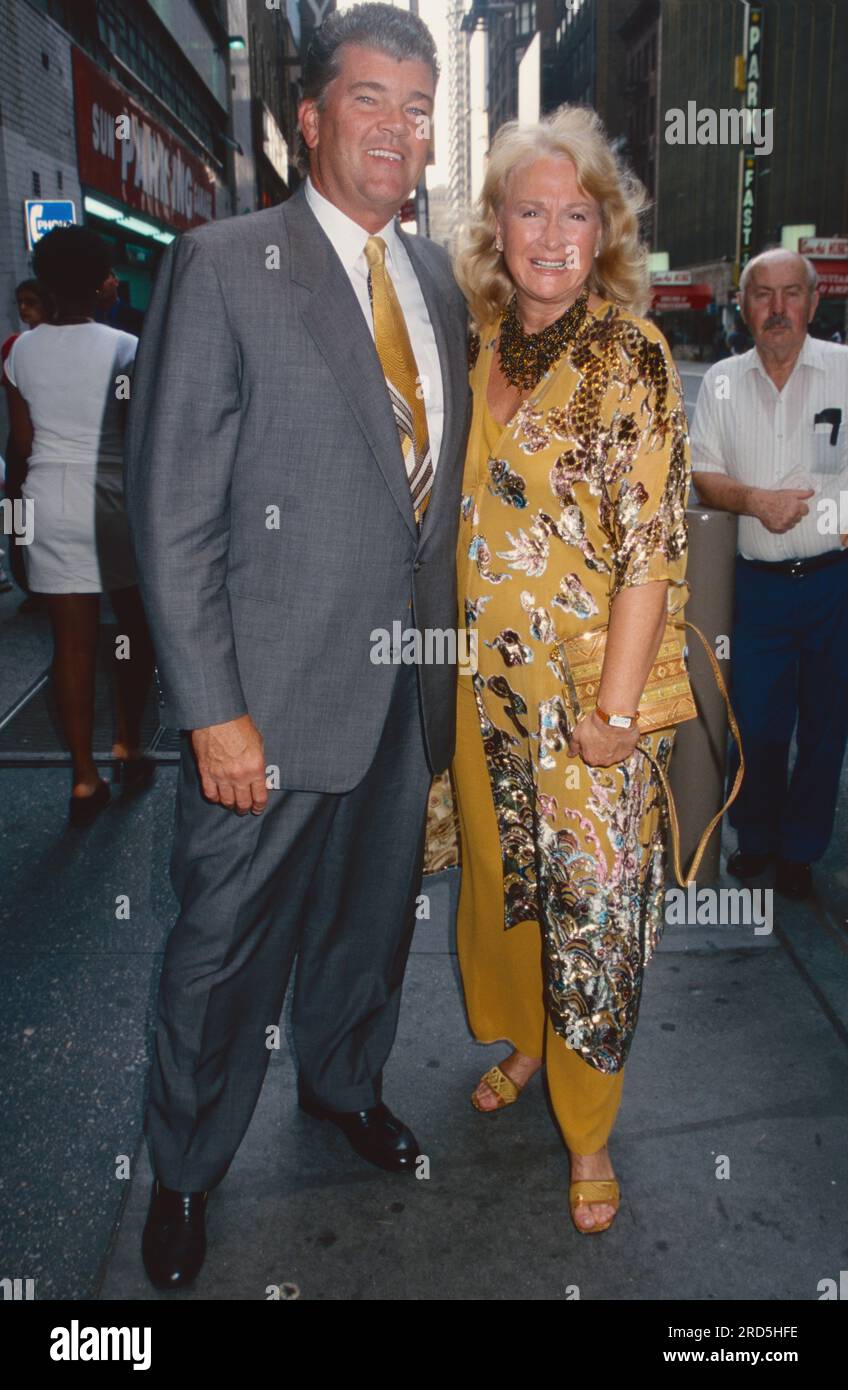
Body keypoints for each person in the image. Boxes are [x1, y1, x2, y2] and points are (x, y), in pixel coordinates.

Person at [124, 2, 468, 1291]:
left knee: (368, 927)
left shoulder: (436, 281)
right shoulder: (223, 264)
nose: (396, 129)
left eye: (417, 107)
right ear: (309, 117)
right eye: (369, 99)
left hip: (400, 700)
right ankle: (184, 1171)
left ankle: (341, 1086)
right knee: (219, 954)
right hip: (263, 708)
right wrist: (213, 708)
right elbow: (169, 512)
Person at [451, 106, 690, 1234]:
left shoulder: (626, 354)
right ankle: (526, 1040)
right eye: (528, 209)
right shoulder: (485, 349)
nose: (550, 233)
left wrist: (610, 717)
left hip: (585, 704)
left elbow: (650, 551)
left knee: (592, 918)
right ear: (496, 226)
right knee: (506, 892)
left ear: (604, 233)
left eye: (575, 213)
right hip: (482, 693)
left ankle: (587, 1129)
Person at [691, 248, 848, 901]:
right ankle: (754, 838)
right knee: (753, 723)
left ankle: (800, 850)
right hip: (754, 588)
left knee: (825, 723)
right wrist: (755, 501)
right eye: (763, 294)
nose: (778, 308)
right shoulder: (722, 382)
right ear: (745, 305)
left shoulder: (844, 371)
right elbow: (702, 473)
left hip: (834, 584)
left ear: (814, 303)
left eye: (792, 294)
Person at [3, 228, 155, 825]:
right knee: (131, 630)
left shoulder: (18, 352)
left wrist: (16, 523)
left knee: (71, 645)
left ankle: (84, 779)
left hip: (47, 498)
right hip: (112, 499)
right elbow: (138, 434)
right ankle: (127, 744)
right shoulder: (125, 348)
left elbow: (21, 444)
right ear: (99, 283)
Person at [1, 279, 53, 598]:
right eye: (20, 302)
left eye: (31, 302)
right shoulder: (13, 345)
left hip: (47, 438)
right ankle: (24, 578)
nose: (24, 309)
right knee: (17, 514)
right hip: (20, 441)